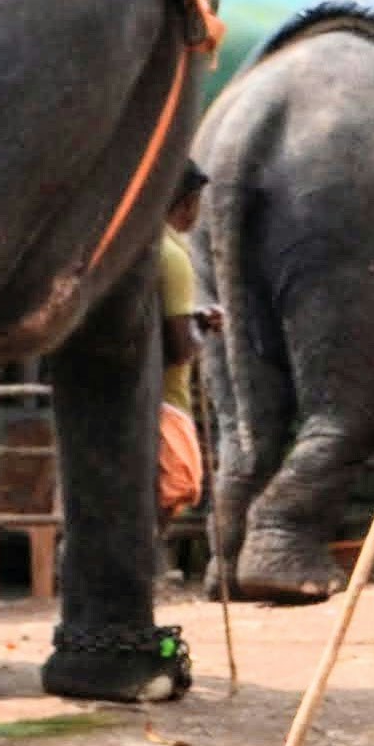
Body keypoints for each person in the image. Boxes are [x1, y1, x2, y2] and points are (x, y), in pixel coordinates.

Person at [156, 173, 215, 523]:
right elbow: (178, 348)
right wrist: (200, 330)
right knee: (172, 489)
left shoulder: (141, 247)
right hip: (166, 400)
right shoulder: (173, 257)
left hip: (138, 398)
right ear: (188, 202)